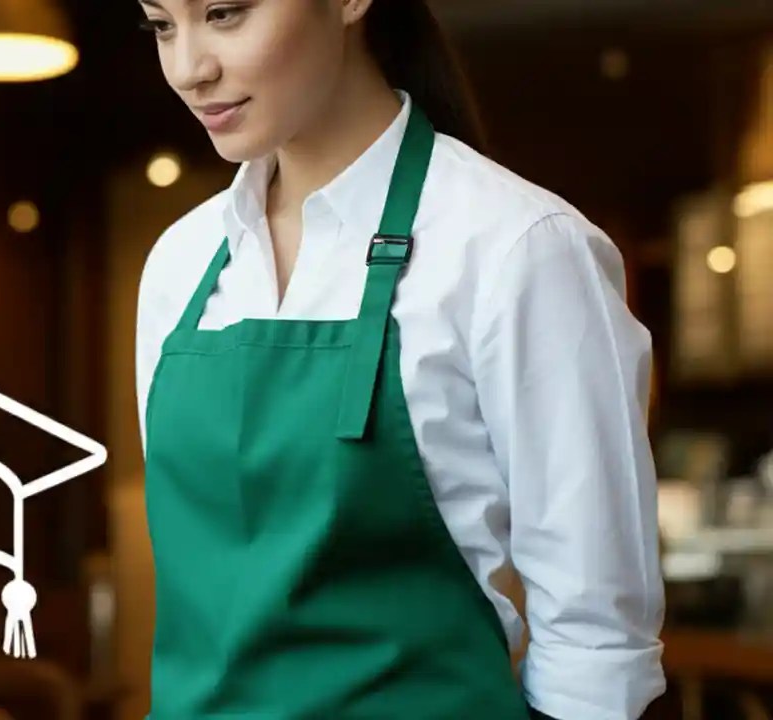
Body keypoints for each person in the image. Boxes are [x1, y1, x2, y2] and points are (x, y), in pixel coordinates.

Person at [132, 1, 666, 718]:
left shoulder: (518, 248)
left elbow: (598, 645)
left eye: (225, 13)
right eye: (162, 25)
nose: (189, 68)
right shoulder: (180, 264)